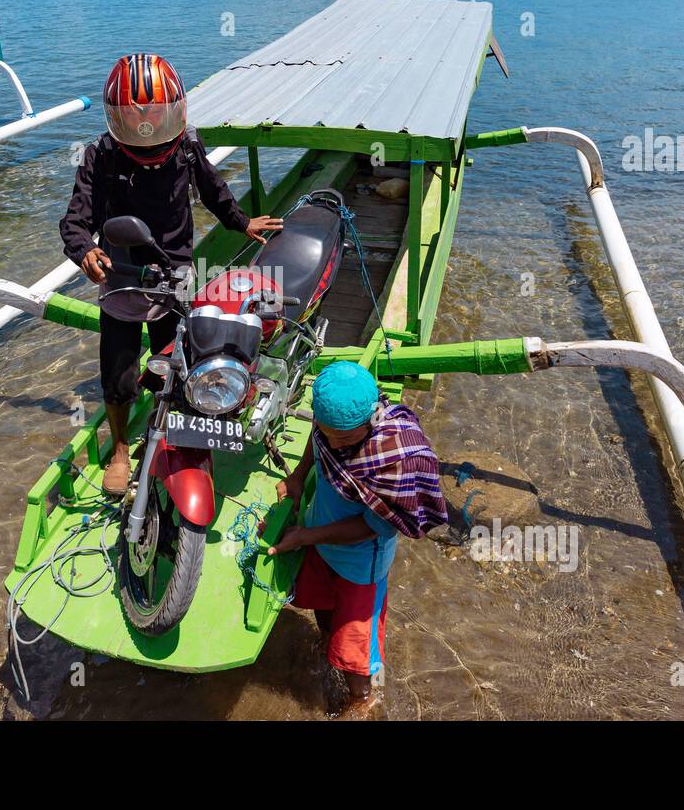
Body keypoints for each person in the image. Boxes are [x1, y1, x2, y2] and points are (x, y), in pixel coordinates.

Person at [59, 53, 282, 494]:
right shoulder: (99, 155)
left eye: (158, 116)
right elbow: (74, 220)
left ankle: (174, 431)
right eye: (136, 119)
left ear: (174, 111)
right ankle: (121, 447)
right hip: (120, 273)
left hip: (174, 270)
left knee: (177, 360)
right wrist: (85, 252)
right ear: (117, 118)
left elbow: (214, 190)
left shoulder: (186, 146)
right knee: (118, 373)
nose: (149, 130)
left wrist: (241, 221)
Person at [269, 361, 447, 713]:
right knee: (321, 606)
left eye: (347, 437)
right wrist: (298, 476)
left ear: (371, 418)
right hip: (320, 542)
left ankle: (362, 698)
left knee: (356, 647)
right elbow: (319, 440)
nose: (336, 444)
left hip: (360, 563)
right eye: (328, 431)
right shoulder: (332, 428)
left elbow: (371, 526)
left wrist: (305, 536)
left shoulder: (395, 458)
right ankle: (325, 643)